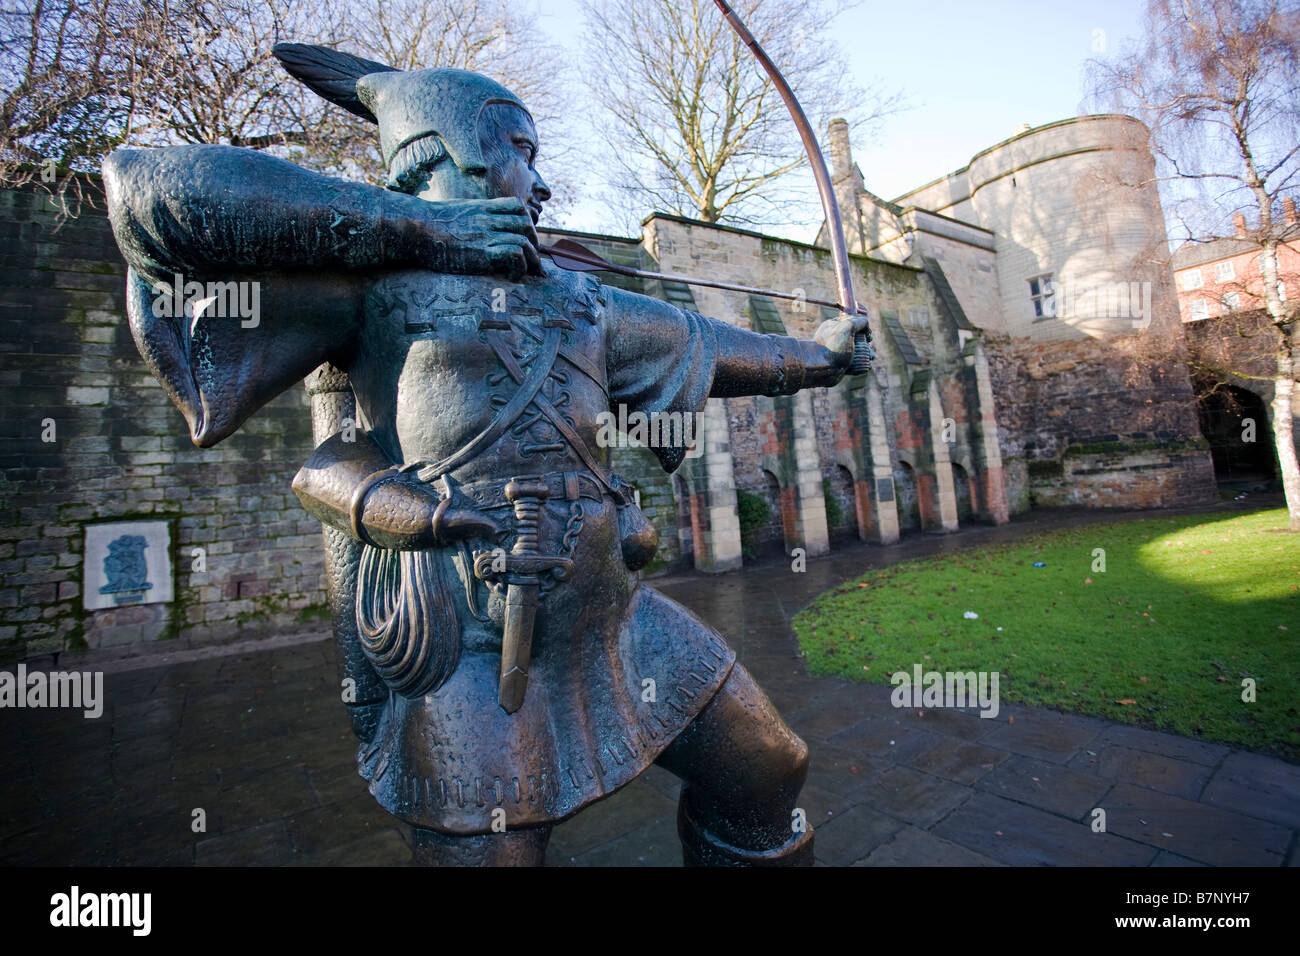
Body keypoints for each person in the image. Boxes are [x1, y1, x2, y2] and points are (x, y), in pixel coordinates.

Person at [103, 45, 868, 866]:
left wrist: (820, 358)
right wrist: (421, 228)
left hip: (611, 614)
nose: (541, 186)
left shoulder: (579, 297)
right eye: (524, 155)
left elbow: (713, 346)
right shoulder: (367, 281)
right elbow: (148, 191)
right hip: (465, 636)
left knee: (767, 769)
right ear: (457, 151)